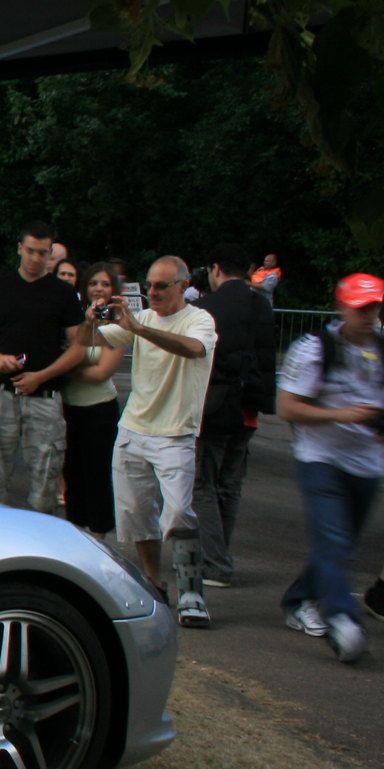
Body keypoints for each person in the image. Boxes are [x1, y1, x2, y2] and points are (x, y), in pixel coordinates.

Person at [96, 255, 219, 626]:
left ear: (183, 286)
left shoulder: (199, 319)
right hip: (134, 428)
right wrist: (92, 318)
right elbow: (93, 339)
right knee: (136, 515)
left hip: (175, 432)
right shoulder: (143, 319)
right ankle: (153, 582)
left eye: (162, 285)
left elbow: (194, 349)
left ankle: (192, 593)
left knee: (179, 511)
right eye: (149, 284)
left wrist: (138, 328)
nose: (153, 292)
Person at [275, 272, 383, 662]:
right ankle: (342, 620)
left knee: (337, 544)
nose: (367, 315)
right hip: (321, 458)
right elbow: (287, 407)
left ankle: (298, 598)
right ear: (342, 307)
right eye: (360, 308)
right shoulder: (314, 349)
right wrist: (344, 414)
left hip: (368, 462)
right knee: (334, 540)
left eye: (373, 307)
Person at [0, 222, 87, 512]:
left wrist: (41, 376)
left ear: (50, 253)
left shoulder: (63, 293)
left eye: (43, 253)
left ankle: (39, 535)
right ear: (20, 249)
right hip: (1, 391)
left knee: (45, 484)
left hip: (45, 396)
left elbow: (79, 347)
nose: (36, 258)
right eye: (31, 251)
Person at [192, 243, 278, 588]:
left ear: (216, 269)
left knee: (203, 484)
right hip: (249, 407)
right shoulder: (261, 304)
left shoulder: (207, 307)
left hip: (215, 406)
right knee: (229, 485)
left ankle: (215, 563)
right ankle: (220, 557)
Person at [61, 262, 126, 538]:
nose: (99, 288)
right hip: (68, 407)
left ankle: (99, 537)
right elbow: (71, 347)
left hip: (100, 410)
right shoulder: (75, 318)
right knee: (72, 474)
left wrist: (66, 368)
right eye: (93, 283)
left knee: (97, 475)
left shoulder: (119, 324)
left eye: (105, 284)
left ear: (114, 289)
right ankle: (76, 534)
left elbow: (102, 372)